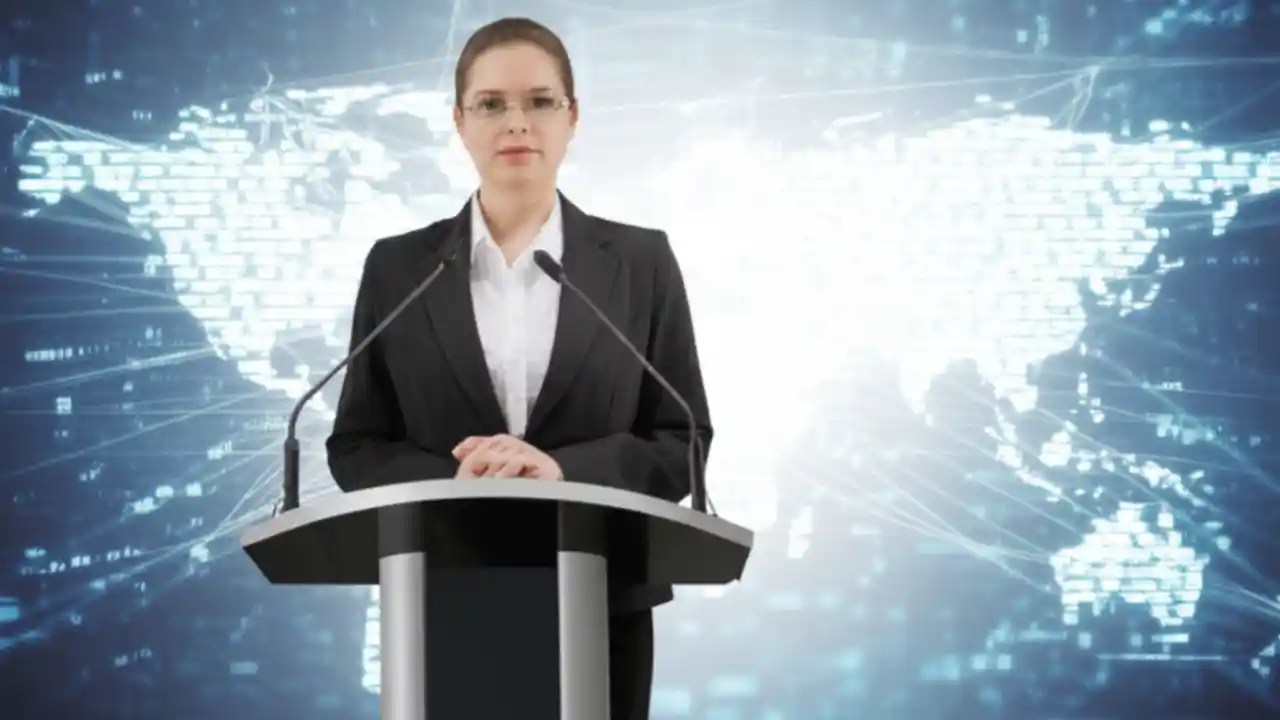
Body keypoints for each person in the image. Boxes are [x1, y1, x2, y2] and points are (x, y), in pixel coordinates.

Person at [324, 16, 713, 719]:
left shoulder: (642, 262)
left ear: (572, 118)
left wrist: (562, 474)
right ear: (459, 121)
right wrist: (456, 481)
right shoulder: (398, 268)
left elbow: (682, 439)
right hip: (442, 592)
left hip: (602, 599)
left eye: (540, 101)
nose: (516, 123)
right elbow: (355, 446)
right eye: (491, 104)